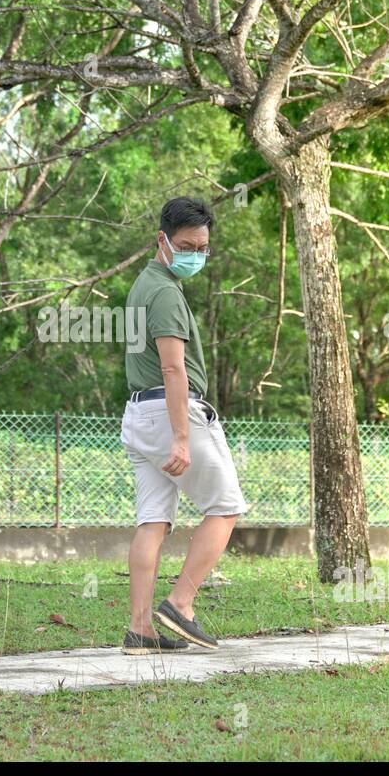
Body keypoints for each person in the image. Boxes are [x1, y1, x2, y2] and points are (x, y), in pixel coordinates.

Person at [119, 196, 249, 654]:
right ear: (163, 240)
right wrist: (181, 437)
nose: (196, 254)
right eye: (187, 246)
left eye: (203, 247)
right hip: (171, 413)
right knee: (226, 507)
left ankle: (140, 628)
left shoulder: (143, 284)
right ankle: (181, 603)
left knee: (153, 520)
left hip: (139, 415)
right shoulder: (166, 294)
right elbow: (174, 368)